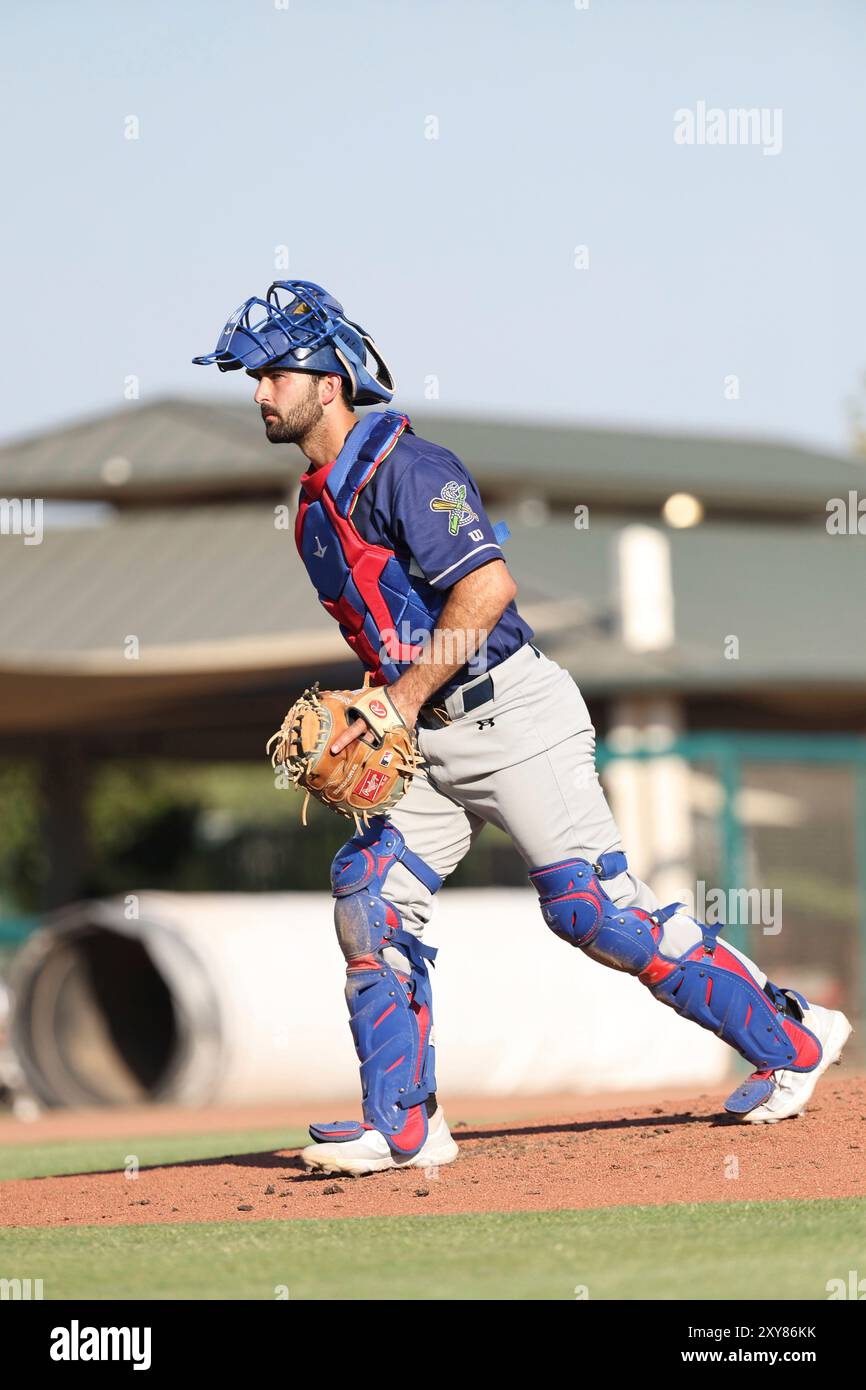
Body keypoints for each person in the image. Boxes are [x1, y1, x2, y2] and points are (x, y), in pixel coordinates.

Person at [193, 279, 852, 1176]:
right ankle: (404, 1126)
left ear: (328, 379)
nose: (259, 393)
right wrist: (374, 711)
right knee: (369, 899)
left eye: (273, 374)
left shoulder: (411, 469)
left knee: (593, 912)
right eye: (254, 377)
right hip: (425, 730)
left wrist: (397, 699)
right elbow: (390, 635)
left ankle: (795, 1036)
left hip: (512, 714)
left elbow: (487, 591)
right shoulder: (314, 513)